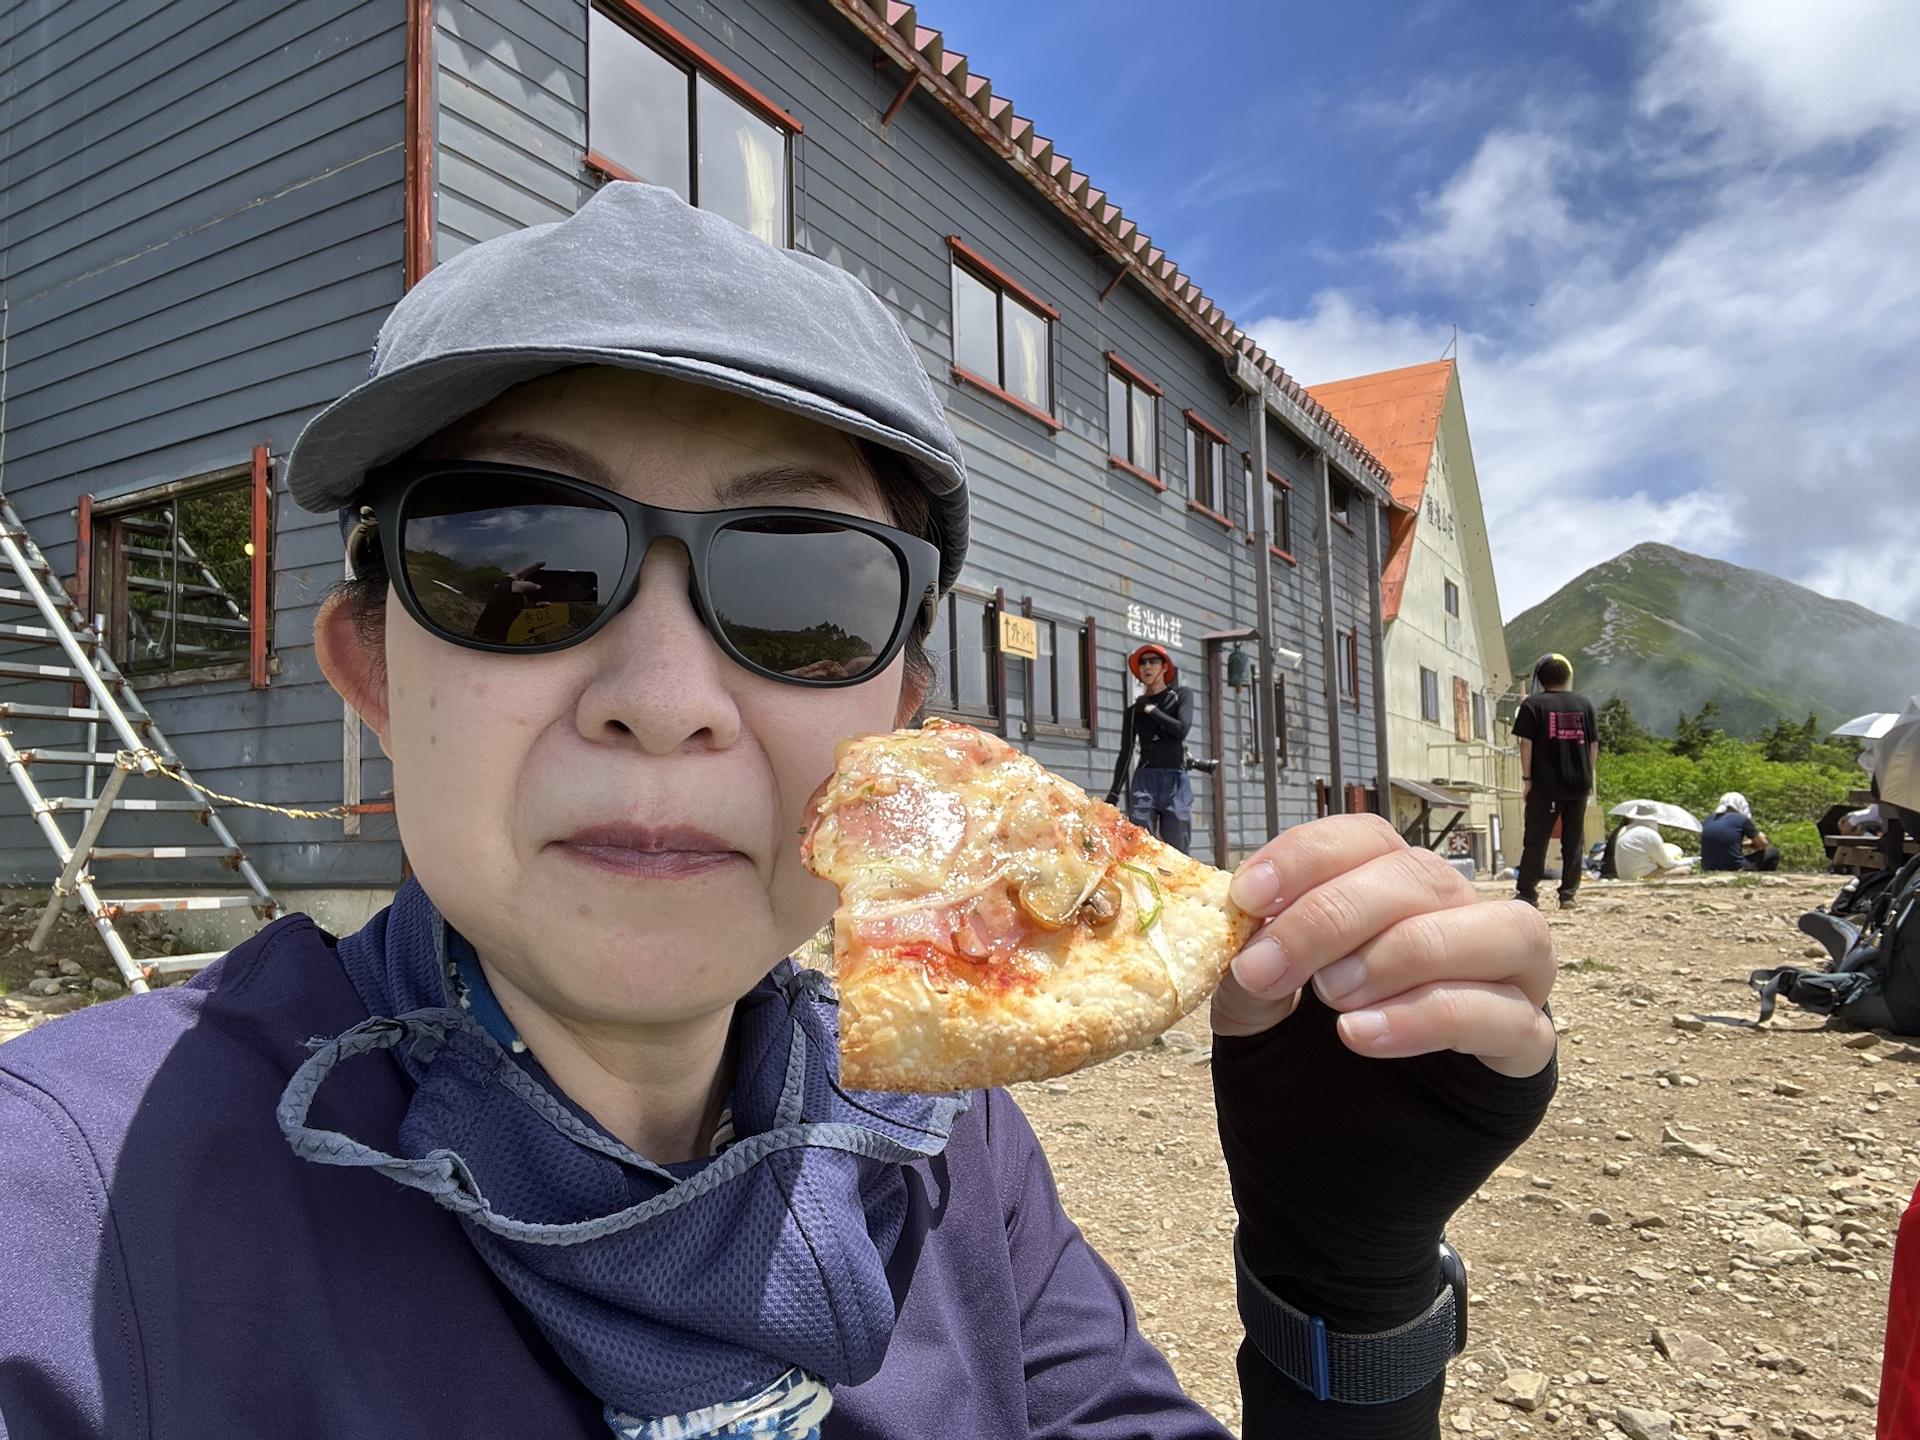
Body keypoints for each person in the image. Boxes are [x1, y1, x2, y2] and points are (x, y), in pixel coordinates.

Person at [0, 184, 1558, 1439]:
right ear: (369, 668)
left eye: (803, 585)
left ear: (896, 718)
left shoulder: (948, 1154)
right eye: (514, 562)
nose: (666, 692)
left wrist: (1340, 1295)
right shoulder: (72, 1202)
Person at [1512, 653, 1597, 910]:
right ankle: (1568, 895)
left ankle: (1528, 893)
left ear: (1540, 678)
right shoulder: (1584, 705)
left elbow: (1526, 744)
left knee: (1536, 838)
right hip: (1579, 783)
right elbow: (1593, 746)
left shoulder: (1531, 705)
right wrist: (1587, 775)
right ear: (1567, 677)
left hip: (1545, 783)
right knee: (1574, 840)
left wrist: (1527, 779)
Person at [1105, 642, 1195, 855]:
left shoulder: (1180, 696)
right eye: (1142, 663)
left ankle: (1180, 887)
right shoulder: (1134, 712)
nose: (1147, 666)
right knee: (1141, 843)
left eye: (1153, 661)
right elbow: (1126, 752)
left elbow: (1181, 729)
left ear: (1164, 667)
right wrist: (1114, 793)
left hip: (1175, 778)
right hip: (1145, 780)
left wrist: (1152, 710)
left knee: (1178, 846)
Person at [1700, 792, 1781, 872]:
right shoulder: (1741, 819)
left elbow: (1723, 843)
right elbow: (1763, 844)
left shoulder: (1709, 819)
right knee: (1772, 852)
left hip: (1708, 867)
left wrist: (1745, 845)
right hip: (1735, 867)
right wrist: (1760, 836)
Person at [1608, 819, 1692, 881]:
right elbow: (1667, 864)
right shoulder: (1650, 835)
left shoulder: (1623, 831)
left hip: (1623, 876)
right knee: (1686, 870)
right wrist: (1689, 861)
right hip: (1642, 876)